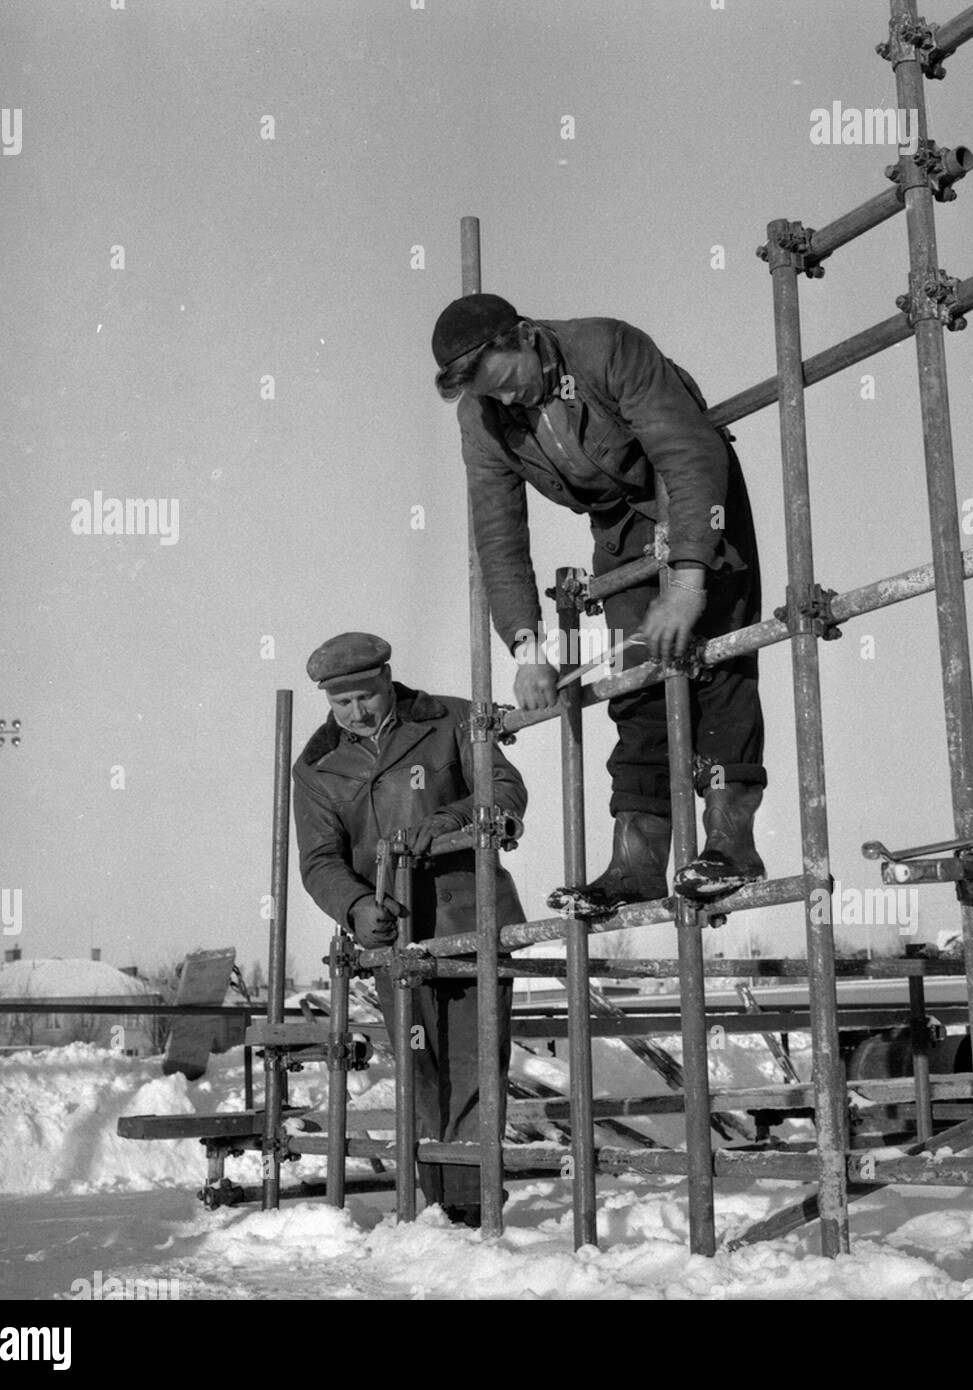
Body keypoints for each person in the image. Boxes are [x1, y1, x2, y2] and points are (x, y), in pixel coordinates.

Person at [432, 294, 767, 913]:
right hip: (620, 531)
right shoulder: (481, 419)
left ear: (527, 338)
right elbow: (498, 534)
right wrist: (527, 649)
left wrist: (687, 585)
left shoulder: (607, 347)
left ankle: (729, 848)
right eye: (491, 396)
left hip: (694, 499)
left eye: (509, 384)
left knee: (717, 665)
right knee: (637, 683)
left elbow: (688, 453)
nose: (507, 403)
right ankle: (636, 865)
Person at [291, 631, 527, 1226]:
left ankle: (474, 1203)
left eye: (366, 697)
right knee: (421, 1070)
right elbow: (320, 861)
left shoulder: (451, 719)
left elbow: (505, 789)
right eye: (340, 703)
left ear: (387, 678)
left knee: (475, 1059)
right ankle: (440, 1206)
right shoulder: (316, 767)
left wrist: (453, 817)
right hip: (394, 935)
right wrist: (353, 907)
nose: (356, 712)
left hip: (471, 920)